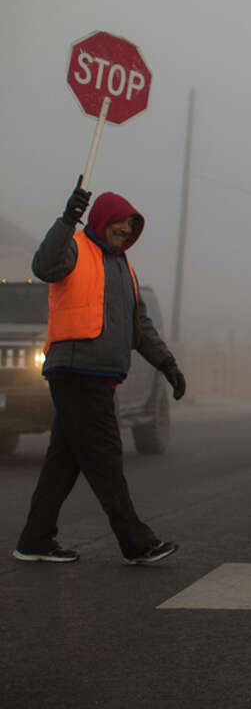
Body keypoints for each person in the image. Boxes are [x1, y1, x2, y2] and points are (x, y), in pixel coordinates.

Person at [12, 178, 186, 566]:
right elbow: (43, 266)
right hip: (76, 372)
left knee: (64, 460)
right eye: (119, 222)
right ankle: (136, 542)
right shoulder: (74, 248)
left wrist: (167, 364)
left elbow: (141, 328)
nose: (125, 230)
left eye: (131, 225)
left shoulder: (124, 269)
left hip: (100, 376)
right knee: (105, 457)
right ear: (102, 219)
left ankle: (35, 539)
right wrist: (67, 219)